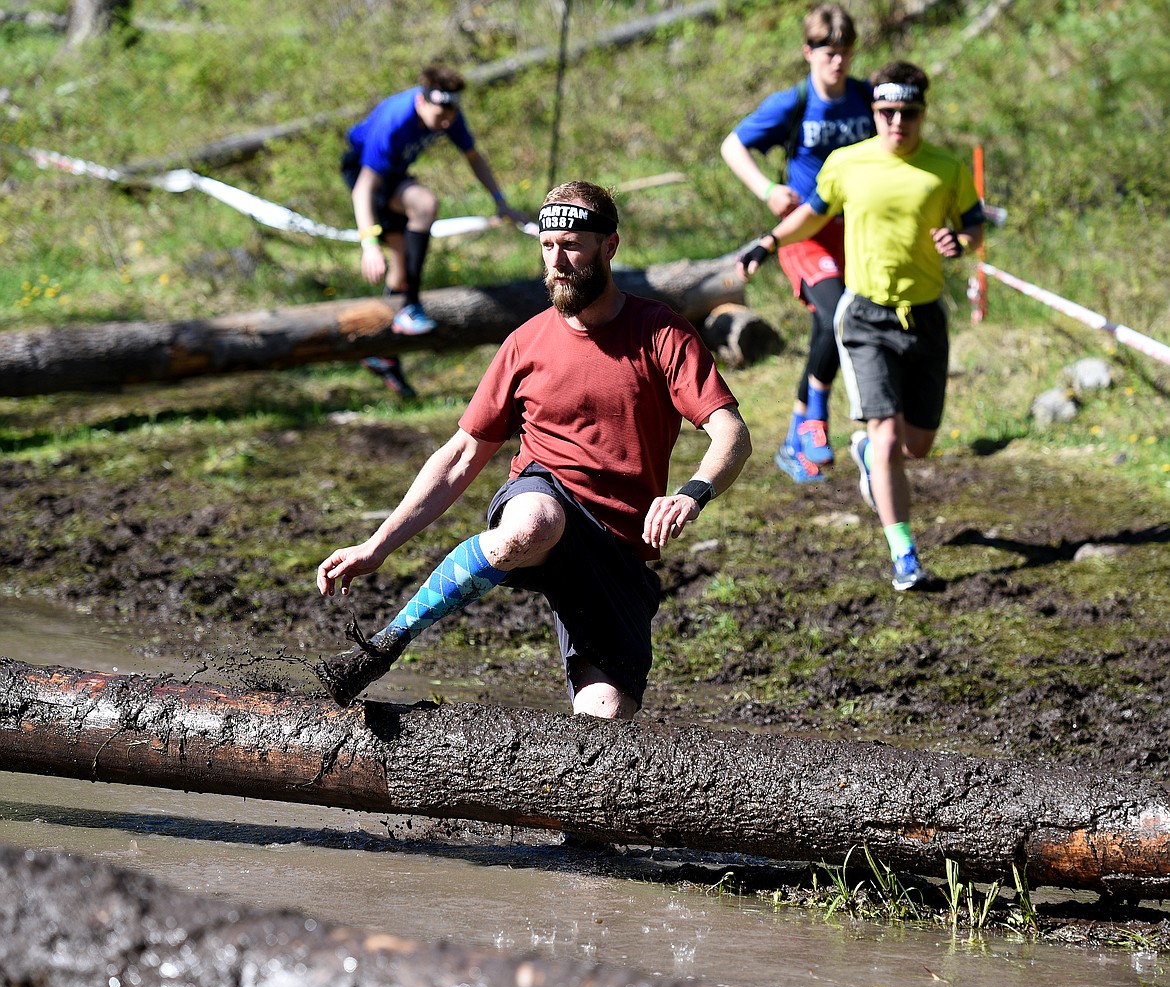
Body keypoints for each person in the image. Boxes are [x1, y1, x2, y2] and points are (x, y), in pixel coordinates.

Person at [314, 180, 752, 719]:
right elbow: (460, 456)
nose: (557, 260)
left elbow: (731, 433)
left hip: (618, 548)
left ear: (609, 247)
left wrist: (691, 494)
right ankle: (386, 644)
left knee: (606, 718)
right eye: (547, 246)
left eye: (571, 245)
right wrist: (376, 547)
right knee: (533, 522)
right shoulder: (525, 342)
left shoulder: (661, 333)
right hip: (545, 494)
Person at [741, 61, 984, 590]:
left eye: (909, 113)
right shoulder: (846, 164)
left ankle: (870, 459)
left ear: (923, 113)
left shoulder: (946, 167)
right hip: (867, 316)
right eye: (887, 112)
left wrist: (960, 242)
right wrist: (768, 242)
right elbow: (812, 214)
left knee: (915, 445)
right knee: (887, 432)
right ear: (874, 111)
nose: (898, 122)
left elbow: (972, 224)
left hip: (925, 320)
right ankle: (905, 555)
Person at [721, 4, 873, 484]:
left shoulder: (867, 98)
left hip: (857, 234)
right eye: (829, 51)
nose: (838, 60)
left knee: (835, 327)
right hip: (802, 232)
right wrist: (768, 190)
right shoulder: (795, 102)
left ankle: (793, 440)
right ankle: (816, 420)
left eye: (846, 51)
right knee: (833, 315)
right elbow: (732, 145)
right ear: (808, 52)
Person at [342, 62, 527, 397]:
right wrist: (368, 243)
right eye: (440, 115)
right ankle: (407, 311)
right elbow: (363, 189)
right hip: (364, 176)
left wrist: (501, 201)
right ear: (422, 102)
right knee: (424, 205)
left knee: (399, 273)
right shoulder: (394, 122)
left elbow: (473, 156)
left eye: (450, 114)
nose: (445, 122)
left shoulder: (449, 114)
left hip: (393, 178)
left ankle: (382, 351)